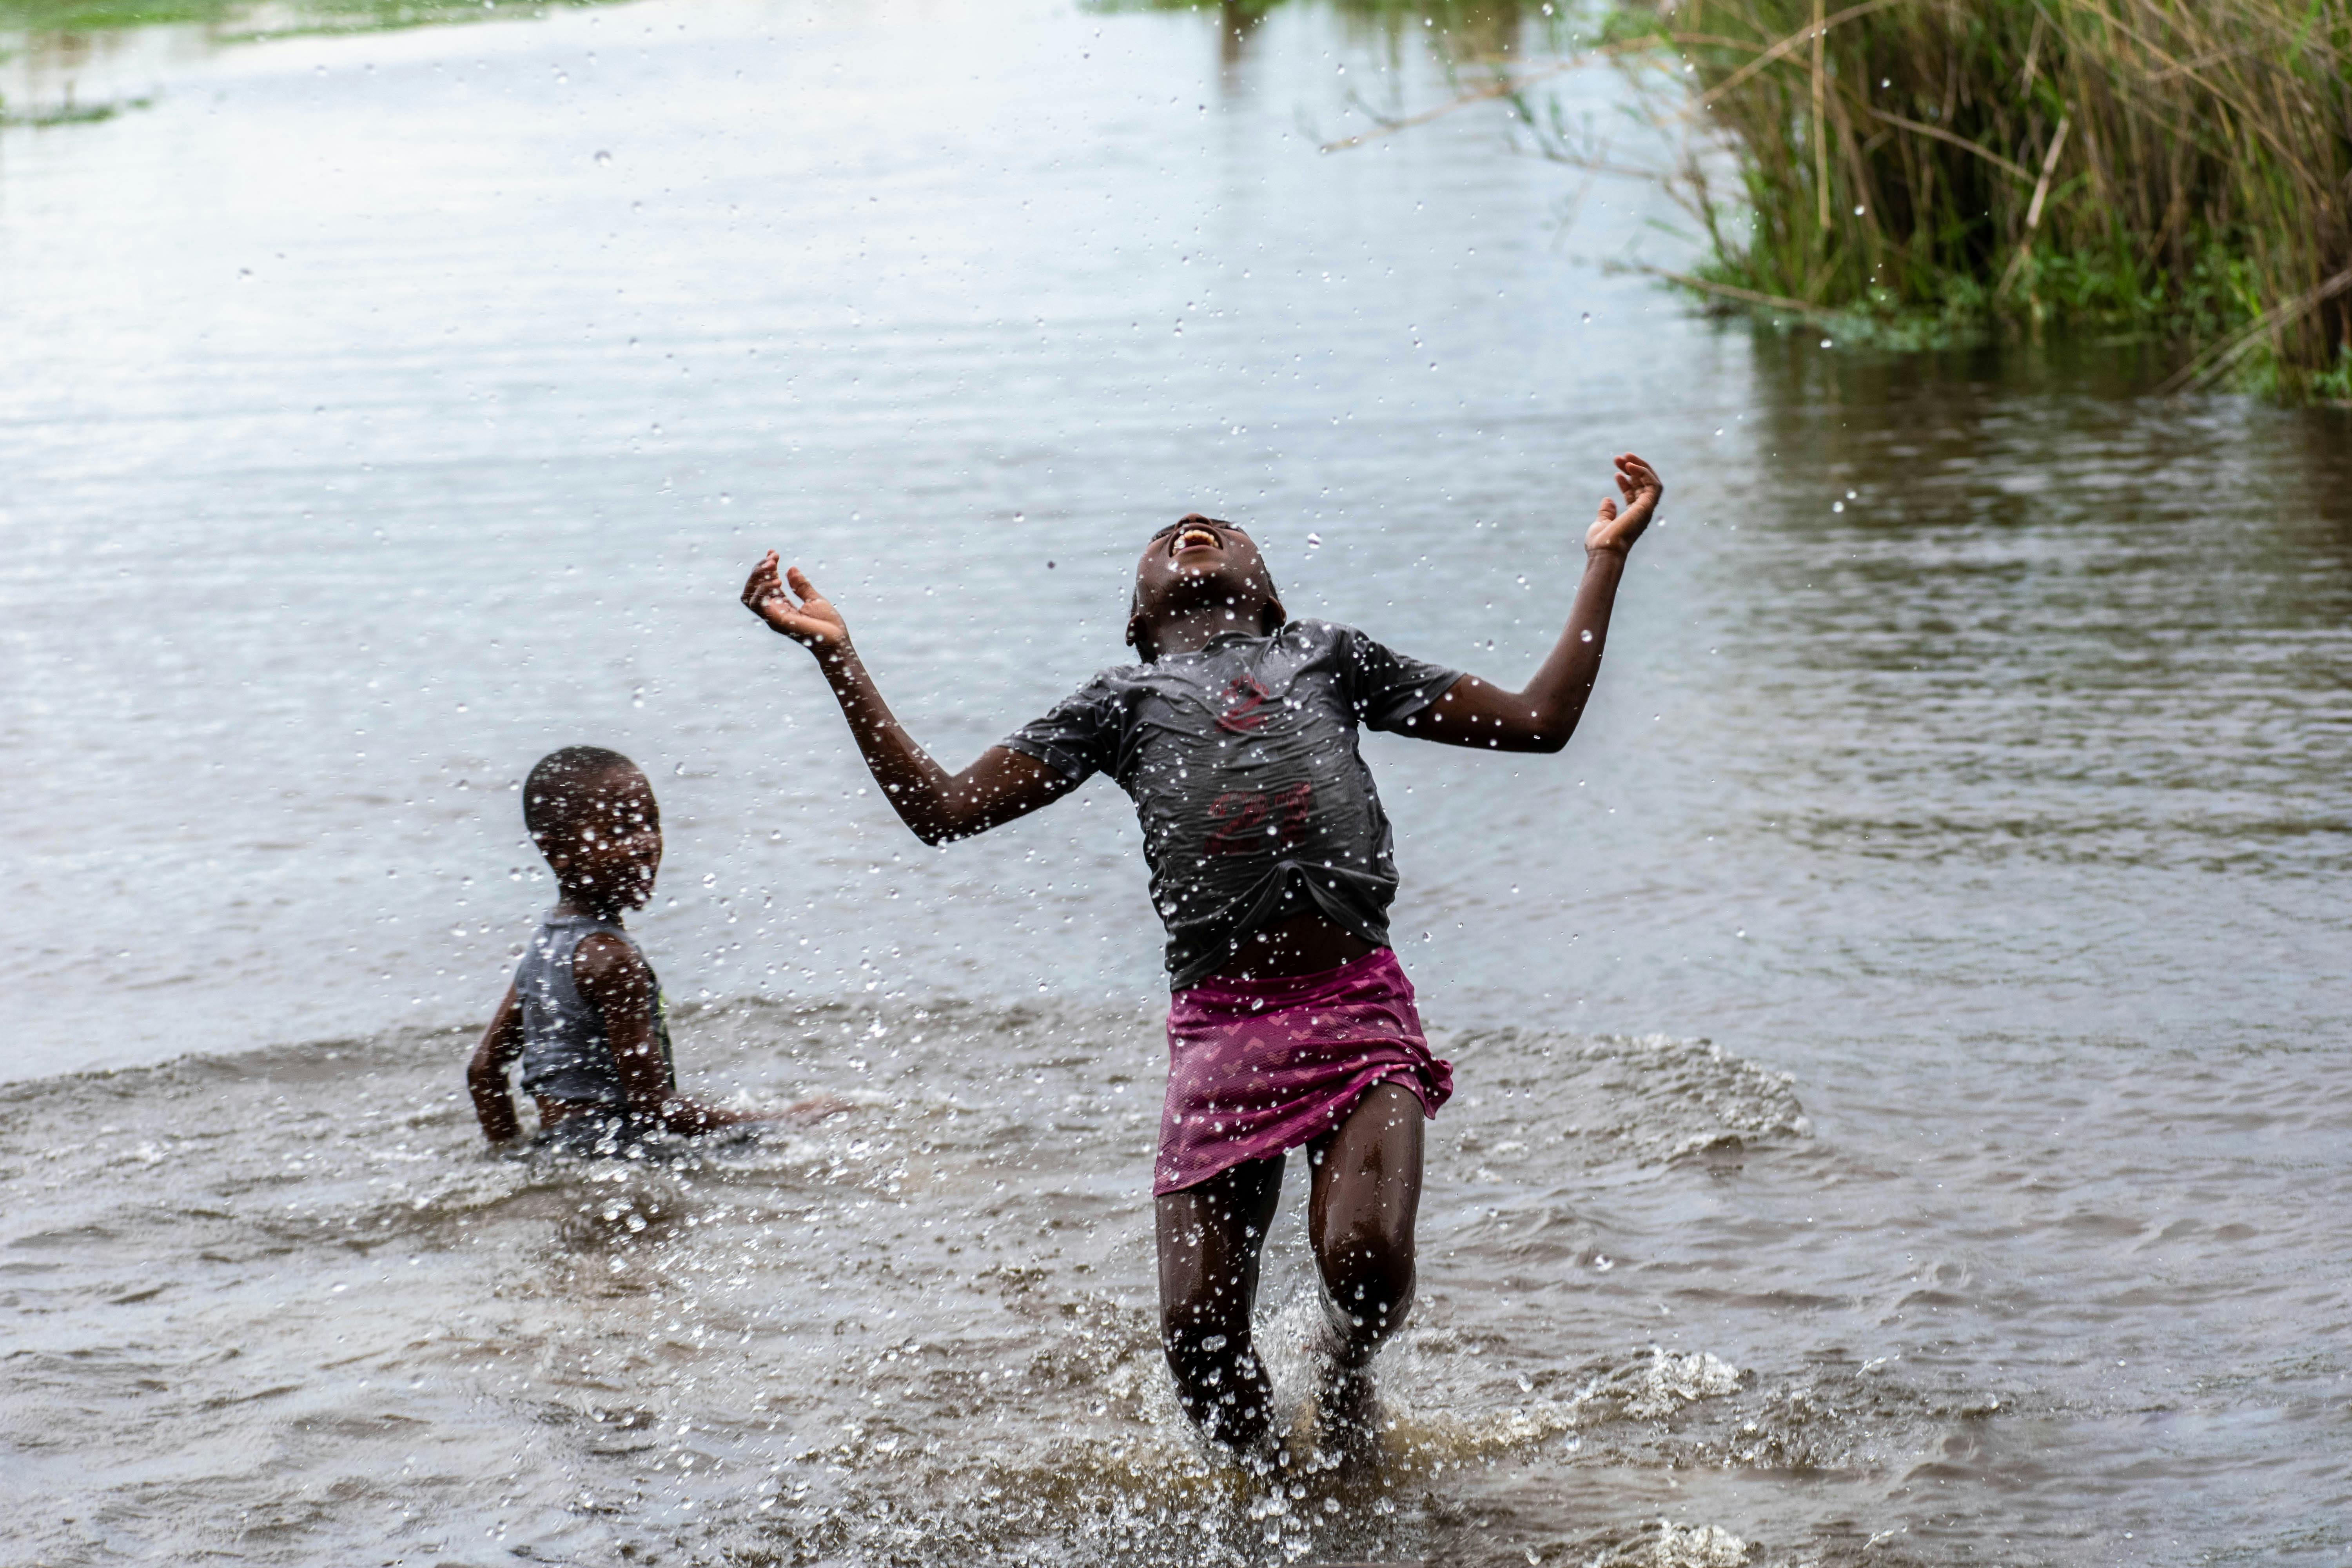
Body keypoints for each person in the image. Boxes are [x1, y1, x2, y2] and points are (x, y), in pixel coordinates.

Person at [737, 454, 1663, 1460]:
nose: (1190, 525)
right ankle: (1273, 1490)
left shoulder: (1329, 656)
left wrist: (1604, 562)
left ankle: (1346, 1381)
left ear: (1265, 592)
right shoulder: (1119, 702)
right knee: (1198, 1346)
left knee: (1365, 1263)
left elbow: (1541, 721)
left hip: (1353, 1009)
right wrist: (839, 656)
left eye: (1218, 524)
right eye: (1164, 537)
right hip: (1222, 1035)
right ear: (1138, 619)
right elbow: (943, 809)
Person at [467, 746, 817, 1156]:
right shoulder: (611, 958)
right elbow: (655, 1107)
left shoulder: (544, 948)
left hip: (561, 1148)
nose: (647, 843)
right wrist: (779, 1119)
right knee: (802, 1142)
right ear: (557, 853)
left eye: (651, 823)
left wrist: (516, 1157)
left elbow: (484, 1072)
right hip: (619, 1149)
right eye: (621, 830)